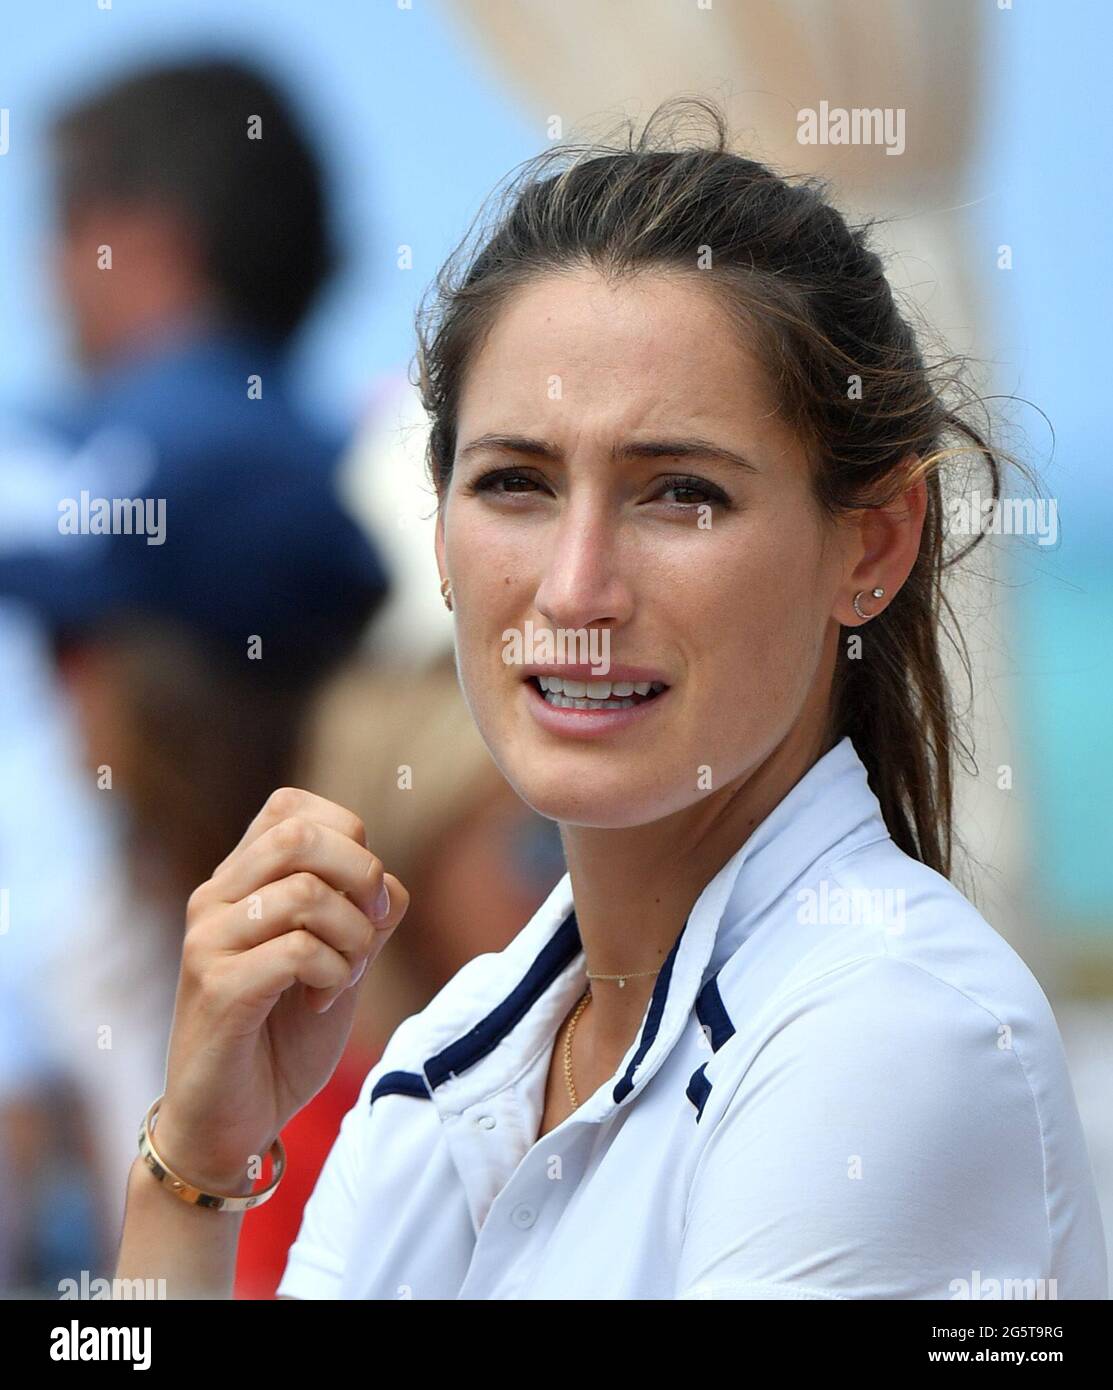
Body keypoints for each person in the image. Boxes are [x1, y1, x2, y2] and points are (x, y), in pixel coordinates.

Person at [113, 97, 1107, 1300]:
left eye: (680, 492)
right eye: (517, 482)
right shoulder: (450, 1054)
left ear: (873, 546)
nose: (576, 587)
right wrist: (192, 1165)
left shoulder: (894, 1034)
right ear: (440, 527)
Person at [0, 56, 390, 1282]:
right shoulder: (332, 453)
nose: (50, 277)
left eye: (59, 229)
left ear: (142, 238)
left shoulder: (180, 442)